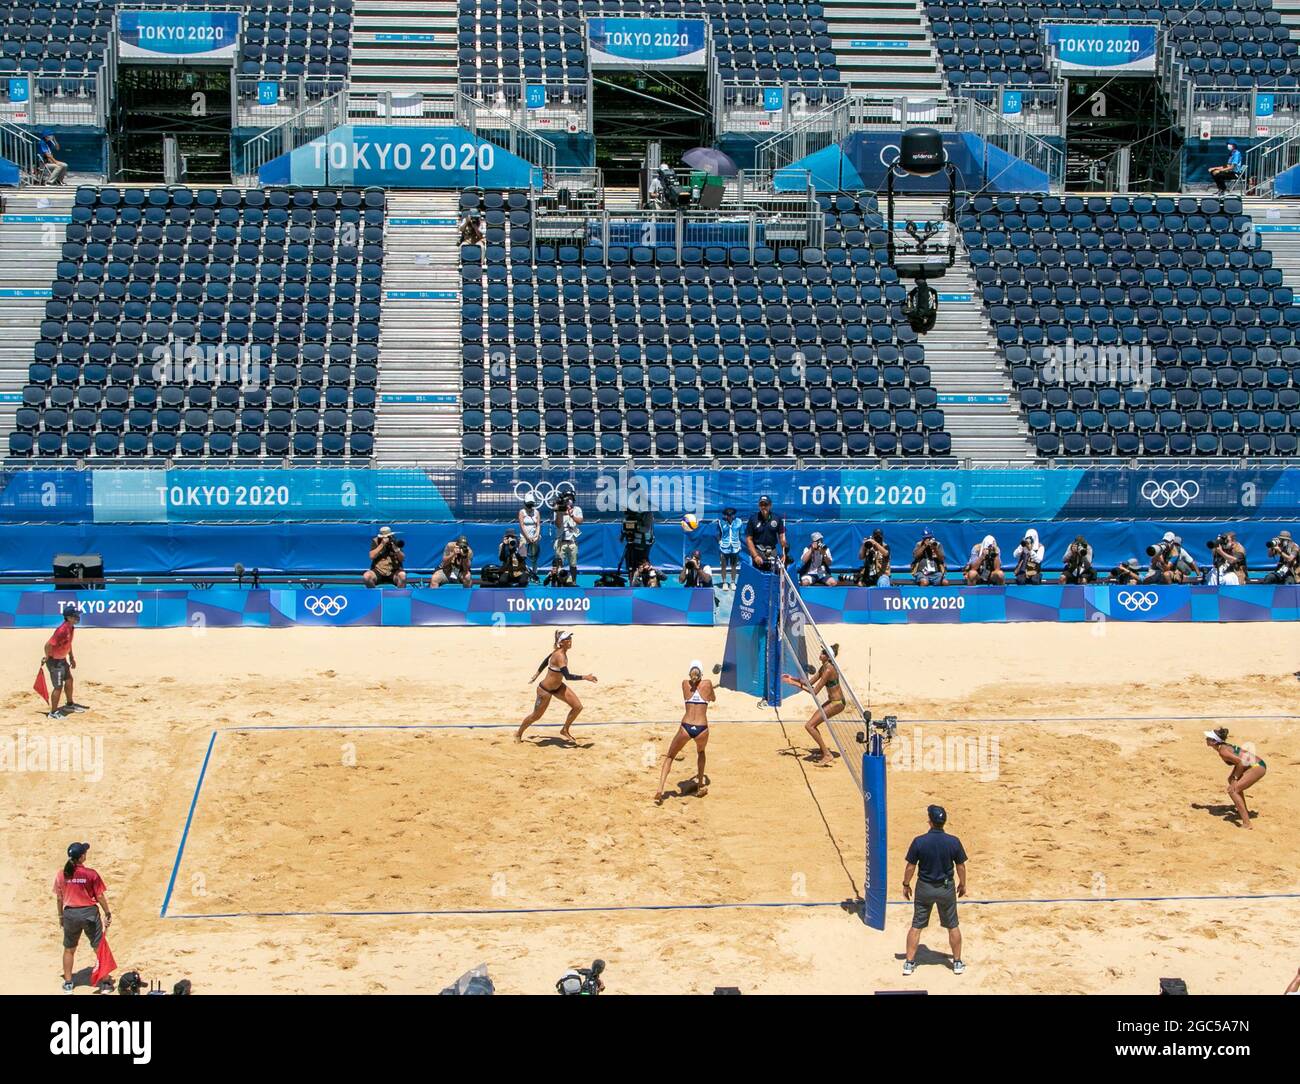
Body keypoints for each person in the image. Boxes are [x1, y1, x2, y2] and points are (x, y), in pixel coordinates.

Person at [901, 805, 968, 976]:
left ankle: (909, 963)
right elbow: (960, 866)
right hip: (946, 888)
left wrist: (906, 884)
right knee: (953, 925)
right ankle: (957, 962)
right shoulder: (953, 841)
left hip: (925, 887)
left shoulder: (919, 841)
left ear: (930, 822)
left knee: (916, 925)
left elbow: (910, 867)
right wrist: (962, 884)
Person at [516, 630, 597, 744]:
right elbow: (567, 676)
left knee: (577, 706)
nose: (570, 641)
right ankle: (518, 733)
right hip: (545, 690)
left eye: (570, 639)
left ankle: (565, 729)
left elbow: (546, 660)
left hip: (558, 687)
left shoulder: (559, 651)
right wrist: (585, 677)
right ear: (561, 642)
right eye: (567, 640)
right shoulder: (560, 656)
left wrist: (536, 674)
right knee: (536, 716)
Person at [54, 842, 112, 993]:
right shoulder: (91, 874)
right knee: (99, 947)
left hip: (70, 915)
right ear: (81, 857)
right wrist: (107, 912)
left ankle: (68, 983)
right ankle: (105, 983)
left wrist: (61, 916)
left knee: (69, 949)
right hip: (89, 914)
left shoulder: (62, 874)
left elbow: (59, 899)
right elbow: (99, 896)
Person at [654, 661, 715, 804]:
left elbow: (693, 685)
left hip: (686, 726)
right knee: (701, 752)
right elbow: (713, 698)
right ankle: (700, 784)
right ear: (701, 673)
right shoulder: (707, 684)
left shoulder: (684, 684)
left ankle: (660, 789)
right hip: (701, 728)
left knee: (670, 757)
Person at [781, 644, 844, 765]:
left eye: (823, 653)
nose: (820, 654)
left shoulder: (829, 669)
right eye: (821, 651)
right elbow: (809, 682)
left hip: (837, 703)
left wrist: (794, 684)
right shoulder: (824, 667)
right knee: (812, 725)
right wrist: (793, 678)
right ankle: (823, 751)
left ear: (828, 657)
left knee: (809, 726)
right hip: (833, 701)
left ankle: (827, 754)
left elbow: (814, 691)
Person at [1204, 727, 1267, 830]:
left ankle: (1247, 823)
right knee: (1231, 782)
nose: (1206, 739)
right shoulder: (1223, 747)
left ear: (1214, 741)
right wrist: (1233, 779)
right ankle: (1243, 810)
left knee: (1233, 790)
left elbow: (1241, 762)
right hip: (1252, 765)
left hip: (1257, 766)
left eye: (1208, 738)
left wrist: (1235, 778)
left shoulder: (1223, 751)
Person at [43, 605, 85, 720]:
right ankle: (53, 712)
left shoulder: (71, 628)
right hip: (55, 661)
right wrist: (47, 657)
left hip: (62, 659)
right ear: (68, 617)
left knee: (69, 680)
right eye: (75, 615)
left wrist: (71, 657)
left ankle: (69, 705)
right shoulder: (61, 630)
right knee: (58, 687)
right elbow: (48, 645)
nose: (77, 617)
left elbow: (68, 644)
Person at [744, 494, 787, 571]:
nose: (763, 507)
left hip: (772, 552)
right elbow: (748, 539)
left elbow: (782, 538)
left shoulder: (777, 519)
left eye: (765, 504)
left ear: (770, 505)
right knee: (758, 576)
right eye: (761, 504)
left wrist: (784, 554)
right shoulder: (753, 519)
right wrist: (755, 556)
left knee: (774, 575)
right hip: (758, 552)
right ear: (758, 505)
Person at [553, 492, 584, 584]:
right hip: (560, 540)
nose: (568, 500)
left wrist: (571, 515)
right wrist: (560, 513)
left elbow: (580, 521)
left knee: (573, 563)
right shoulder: (559, 509)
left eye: (570, 498)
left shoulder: (577, 509)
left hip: (572, 541)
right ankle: (559, 581)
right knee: (559, 562)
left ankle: (573, 581)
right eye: (566, 499)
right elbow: (558, 525)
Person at [717, 507, 743, 589]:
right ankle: (724, 582)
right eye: (727, 515)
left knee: (734, 566)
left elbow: (740, 534)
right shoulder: (721, 522)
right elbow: (718, 534)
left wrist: (739, 543)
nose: (729, 516)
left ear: (733, 515)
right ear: (725, 515)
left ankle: (732, 582)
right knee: (723, 566)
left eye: (731, 515)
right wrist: (720, 541)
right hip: (724, 548)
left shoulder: (739, 522)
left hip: (735, 548)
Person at [517, 495, 542, 575]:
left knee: (534, 556)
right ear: (525, 503)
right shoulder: (522, 512)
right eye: (528, 504)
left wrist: (536, 536)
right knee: (522, 555)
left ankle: (534, 573)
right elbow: (522, 526)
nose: (530, 506)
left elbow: (538, 525)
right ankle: (523, 572)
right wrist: (527, 537)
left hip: (534, 538)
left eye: (531, 504)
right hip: (524, 537)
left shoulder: (536, 512)